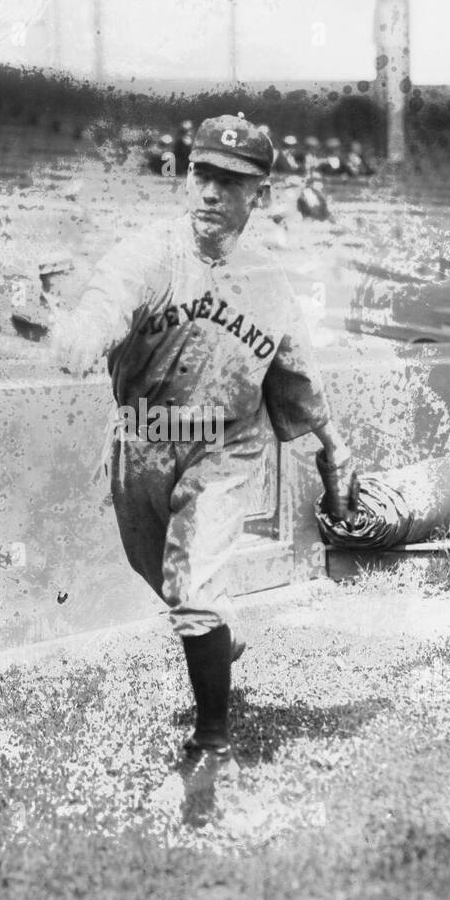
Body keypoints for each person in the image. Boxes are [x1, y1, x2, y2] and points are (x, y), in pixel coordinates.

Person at [52, 114, 358, 804]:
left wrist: (334, 446)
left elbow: (297, 376)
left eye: (232, 181)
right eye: (204, 175)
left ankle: (210, 744)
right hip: (143, 435)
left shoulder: (269, 283)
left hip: (225, 444)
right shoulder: (150, 253)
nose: (213, 193)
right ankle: (218, 637)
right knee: (159, 572)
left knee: (194, 590)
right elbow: (108, 302)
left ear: (261, 193)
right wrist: (81, 332)